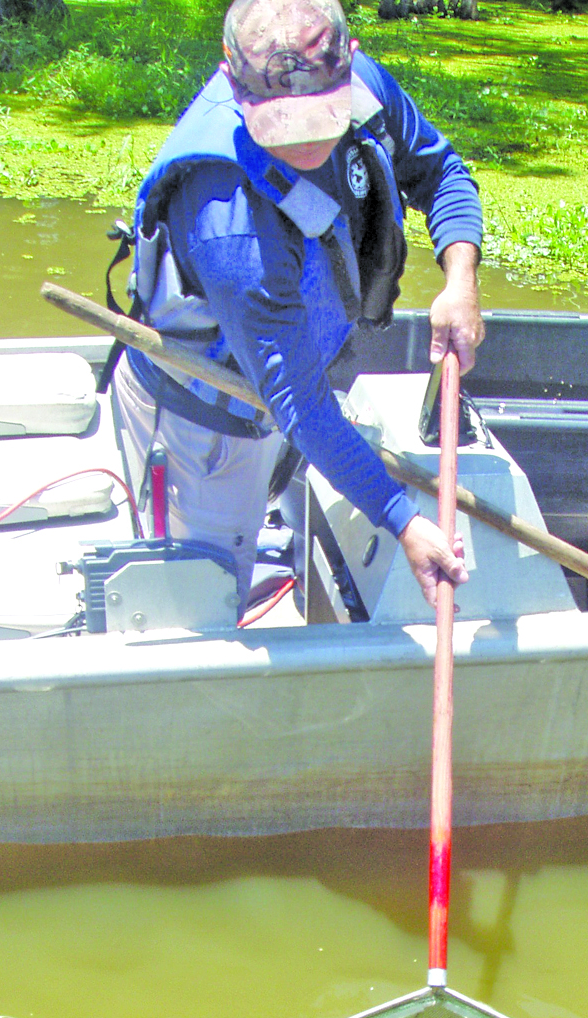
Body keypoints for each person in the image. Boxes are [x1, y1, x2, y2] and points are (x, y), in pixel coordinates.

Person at [112, 0, 484, 612]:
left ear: (350, 62)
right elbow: (302, 406)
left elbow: (441, 172)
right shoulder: (227, 216)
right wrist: (404, 522)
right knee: (200, 613)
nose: (306, 138)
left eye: (322, 115)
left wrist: (460, 277)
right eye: (281, 121)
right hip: (202, 430)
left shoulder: (366, 87)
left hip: (283, 382)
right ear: (234, 83)